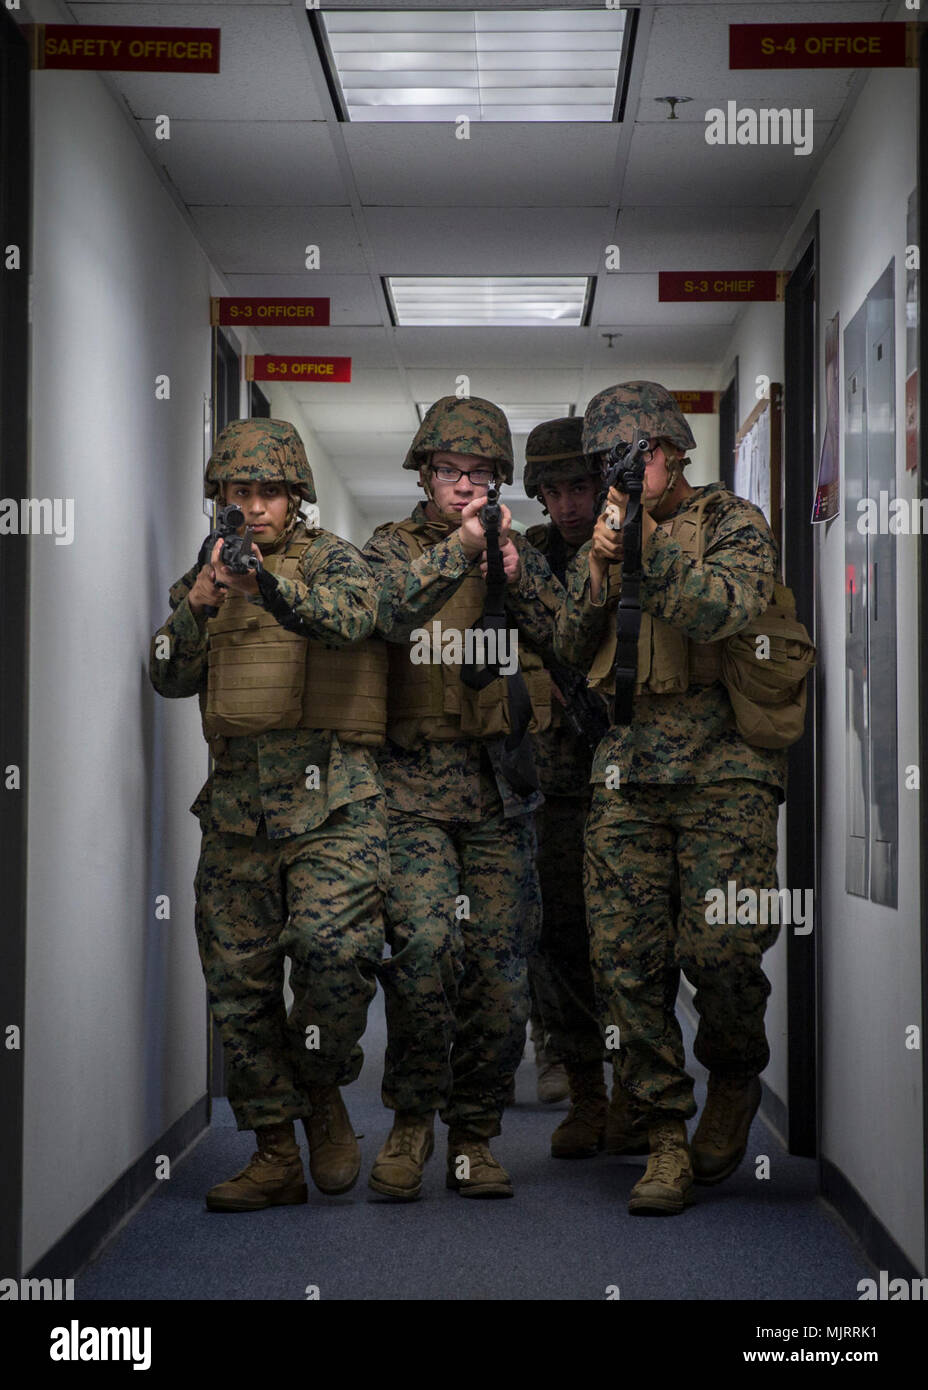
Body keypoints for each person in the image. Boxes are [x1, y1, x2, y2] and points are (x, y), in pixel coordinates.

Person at [555, 381, 786, 1216]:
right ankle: (660, 1136)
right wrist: (601, 561)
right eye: (609, 460)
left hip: (725, 775)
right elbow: (568, 644)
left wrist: (644, 541)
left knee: (721, 952)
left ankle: (732, 1075)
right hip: (626, 774)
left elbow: (719, 609)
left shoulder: (733, 522)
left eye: (635, 455)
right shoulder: (608, 537)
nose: (624, 472)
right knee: (623, 964)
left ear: (674, 451)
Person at [149, 417, 389, 1212]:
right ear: (219, 497)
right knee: (238, 987)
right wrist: (198, 601)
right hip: (237, 813)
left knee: (334, 955)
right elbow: (165, 675)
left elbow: (353, 619)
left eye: (268, 492)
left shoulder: (333, 561)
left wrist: (266, 588)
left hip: (333, 807)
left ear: (296, 497)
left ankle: (320, 1088)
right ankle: (275, 1150)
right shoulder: (209, 569)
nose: (252, 507)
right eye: (237, 492)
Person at [362, 395, 562, 1200]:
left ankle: (475, 1135)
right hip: (411, 790)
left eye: (480, 474)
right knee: (419, 956)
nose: (464, 486)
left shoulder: (519, 551)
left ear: (501, 480)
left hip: (501, 792)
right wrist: (462, 552)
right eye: (450, 471)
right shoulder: (390, 547)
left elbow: (572, 633)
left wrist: (522, 580)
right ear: (424, 472)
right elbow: (378, 614)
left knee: (500, 973)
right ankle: (411, 1123)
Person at [522, 416, 649, 1160]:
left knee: (631, 949)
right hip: (555, 785)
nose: (568, 505)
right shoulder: (526, 558)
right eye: (553, 491)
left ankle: (636, 1093)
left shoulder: (637, 545)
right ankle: (587, 1093)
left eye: (580, 487)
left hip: (633, 780)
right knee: (560, 941)